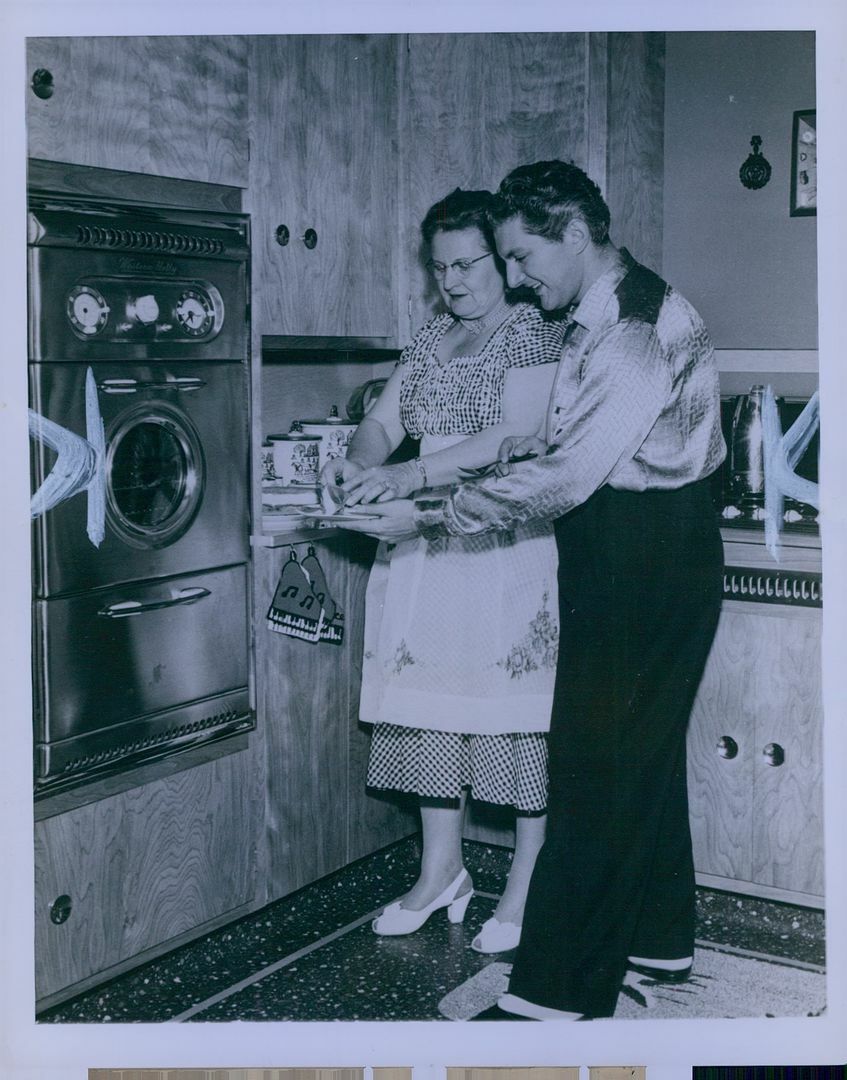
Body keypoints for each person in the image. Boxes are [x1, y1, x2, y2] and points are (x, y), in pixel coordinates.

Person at [343, 160, 726, 1019]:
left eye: (521, 258)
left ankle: (558, 991)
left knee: (594, 765)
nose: (517, 278)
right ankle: (656, 942)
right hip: (627, 547)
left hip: (645, 551)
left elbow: (559, 474)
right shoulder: (596, 312)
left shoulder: (628, 327)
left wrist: (430, 515)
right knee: (642, 763)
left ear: (576, 234)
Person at [326, 188, 568, 952]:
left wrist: (407, 476)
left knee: (514, 718)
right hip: (423, 551)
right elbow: (383, 419)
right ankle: (442, 873)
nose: (453, 281)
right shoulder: (433, 337)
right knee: (428, 708)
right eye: (440, 268)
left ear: (501, 261)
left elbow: (513, 433)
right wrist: (356, 463)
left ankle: (530, 878)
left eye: (466, 264)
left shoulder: (530, 332)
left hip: (500, 548)